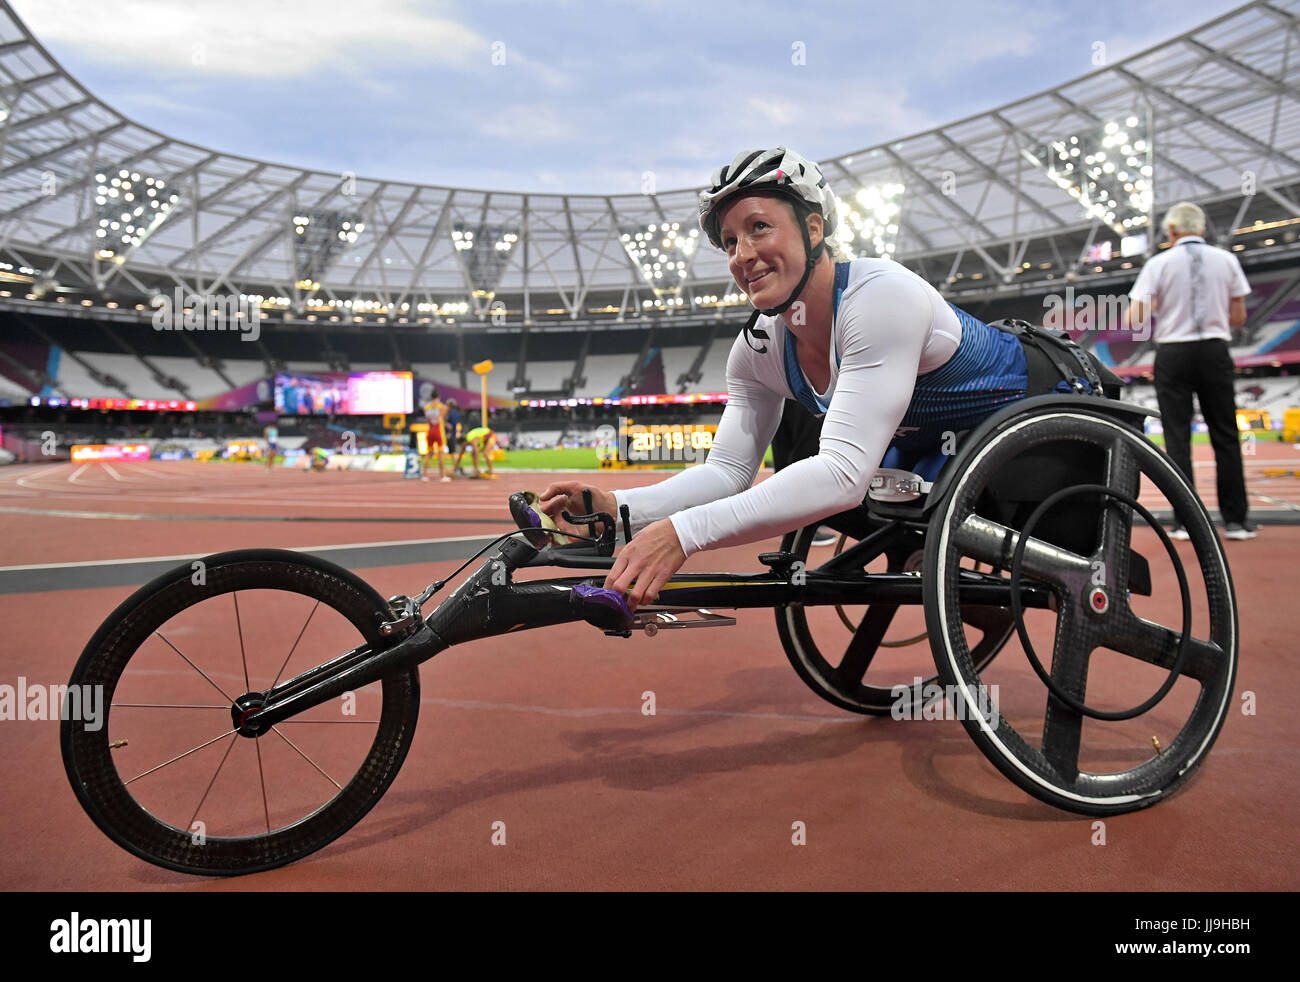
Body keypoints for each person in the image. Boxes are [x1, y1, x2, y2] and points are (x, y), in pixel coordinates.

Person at [539, 147, 1116, 609]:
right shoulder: (756, 351)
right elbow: (727, 472)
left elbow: (842, 474)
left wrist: (683, 534)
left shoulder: (878, 297)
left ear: (814, 228)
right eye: (731, 241)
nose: (742, 254)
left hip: (1039, 404)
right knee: (797, 451)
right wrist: (619, 508)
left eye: (759, 227)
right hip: (936, 448)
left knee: (821, 458)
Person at [1125, 201, 1255, 540]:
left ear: (1171, 232)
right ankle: (1237, 521)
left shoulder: (1158, 263)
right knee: (1225, 435)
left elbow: (1133, 318)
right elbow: (1239, 318)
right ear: (1202, 229)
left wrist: (1160, 308)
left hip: (1173, 352)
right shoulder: (1226, 260)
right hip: (1214, 348)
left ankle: (1185, 522)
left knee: (1177, 437)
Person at [421, 394, 451, 482]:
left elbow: (427, 418)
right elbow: (443, 416)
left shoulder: (427, 407)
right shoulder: (442, 407)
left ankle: (424, 475)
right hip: (438, 432)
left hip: (430, 431)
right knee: (441, 454)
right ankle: (442, 476)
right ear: (438, 398)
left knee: (429, 453)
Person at [444, 398, 463, 475]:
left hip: (450, 435)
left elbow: (451, 425)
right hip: (452, 434)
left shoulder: (452, 413)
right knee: (452, 452)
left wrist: (449, 433)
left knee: (452, 452)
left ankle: (456, 468)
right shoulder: (455, 413)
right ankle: (456, 468)